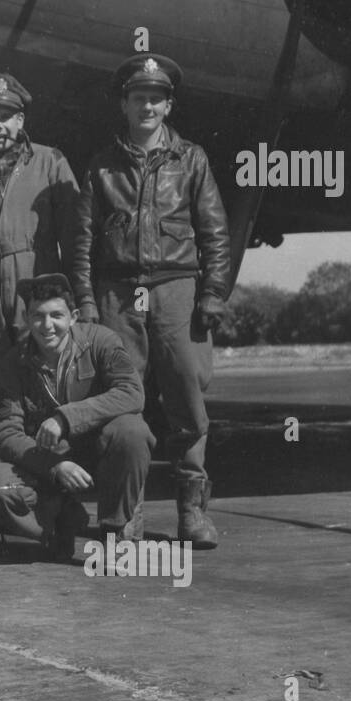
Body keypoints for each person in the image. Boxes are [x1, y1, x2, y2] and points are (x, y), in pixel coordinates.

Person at [72, 55, 230, 547]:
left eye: (155, 98)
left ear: (168, 105)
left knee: (187, 394)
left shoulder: (193, 159)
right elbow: (81, 241)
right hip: (118, 291)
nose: (147, 106)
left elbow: (216, 233)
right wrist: (87, 302)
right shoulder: (101, 164)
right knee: (122, 397)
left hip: (176, 288)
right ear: (124, 104)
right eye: (138, 97)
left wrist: (213, 294)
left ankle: (191, 509)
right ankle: (127, 510)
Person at [0, 275, 153, 560]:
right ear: (26, 317)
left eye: (56, 315)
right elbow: (4, 433)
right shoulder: (12, 363)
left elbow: (132, 393)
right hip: (45, 458)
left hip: (98, 453)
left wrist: (65, 418)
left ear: (72, 317)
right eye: (38, 316)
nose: (47, 326)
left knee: (133, 432)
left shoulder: (103, 341)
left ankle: (117, 530)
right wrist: (55, 466)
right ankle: (59, 519)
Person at [0, 72, 80, 400]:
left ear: (20, 120)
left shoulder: (50, 161)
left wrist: (77, 289)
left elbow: (75, 233)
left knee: (43, 356)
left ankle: (51, 431)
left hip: (36, 272)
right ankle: (6, 435)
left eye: (6, 117)